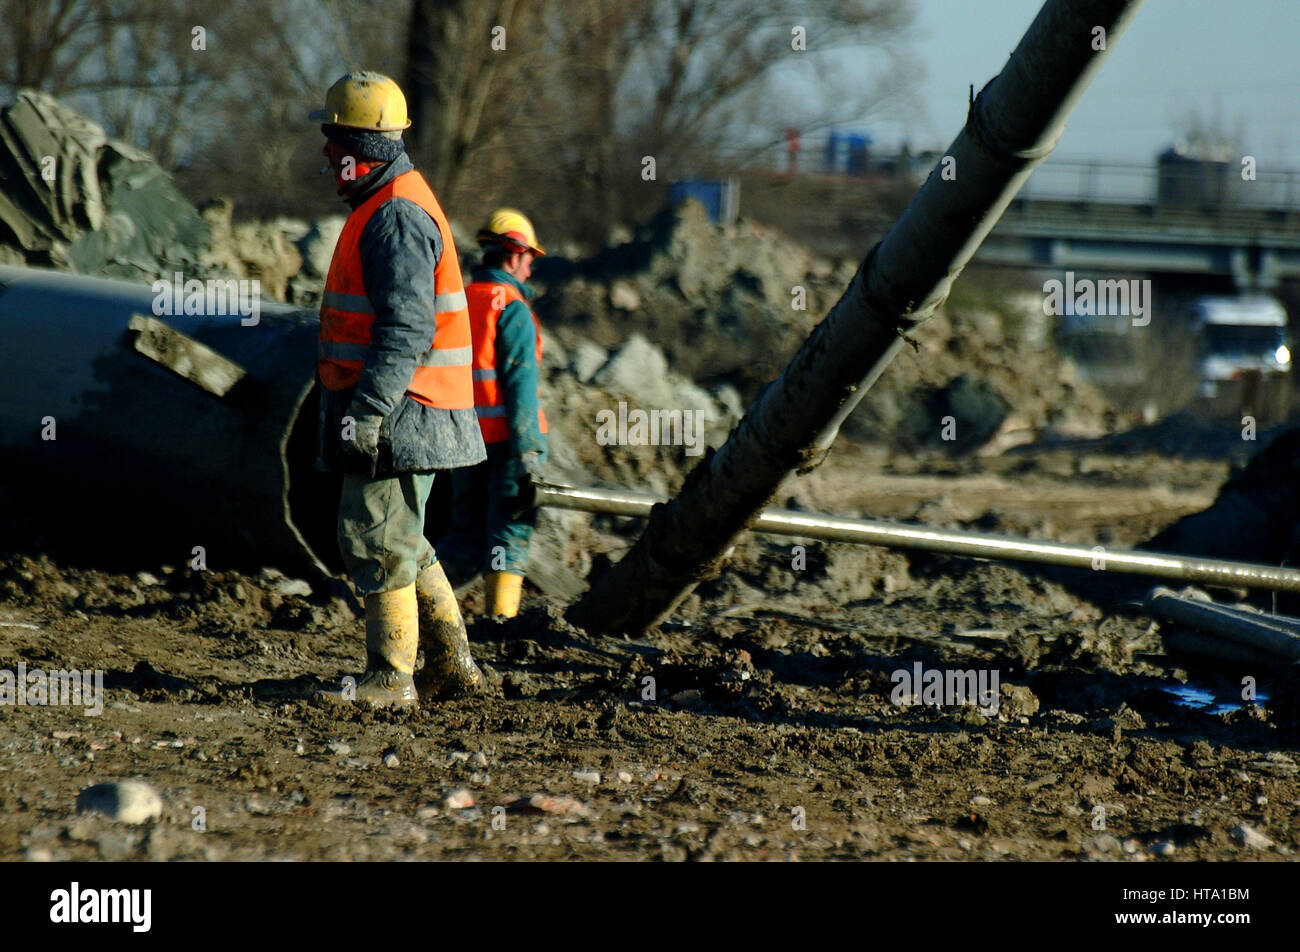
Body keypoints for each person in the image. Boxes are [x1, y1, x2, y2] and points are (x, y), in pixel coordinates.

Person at [309, 71, 485, 708]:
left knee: (376, 538)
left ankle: (391, 679)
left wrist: (367, 413)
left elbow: (406, 326)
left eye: (335, 138)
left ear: (366, 146)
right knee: (403, 538)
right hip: (420, 407)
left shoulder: (395, 217)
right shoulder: (389, 204)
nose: (327, 151)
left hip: (404, 409)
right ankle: (452, 667)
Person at [437, 209, 548, 618]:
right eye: (529, 258)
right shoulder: (513, 309)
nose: (531, 268)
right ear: (514, 255)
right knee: (508, 534)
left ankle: (421, 609)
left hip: (463, 440)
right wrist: (529, 453)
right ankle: (500, 622)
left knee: (463, 534)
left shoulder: (461, 301)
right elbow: (520, 387)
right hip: (505, 447)